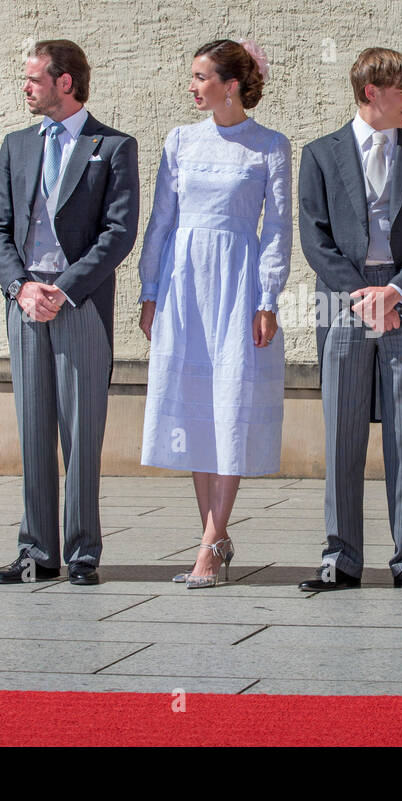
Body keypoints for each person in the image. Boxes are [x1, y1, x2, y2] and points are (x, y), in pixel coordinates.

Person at [0, 40, 139, 586]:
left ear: (64, 82)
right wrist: (20, 287)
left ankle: (81, 552)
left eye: (33, 79)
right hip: (25, 302)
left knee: (81, 432)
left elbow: (118, 233)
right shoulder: (16, 145)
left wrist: (64, 289)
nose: (25, 87)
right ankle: (35, 552)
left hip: (80, 303)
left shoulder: (113, 146)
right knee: (33, 430)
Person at [297, 47, 402, 594]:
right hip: (345, 303)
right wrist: (360, 293)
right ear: (372, 92)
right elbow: (314, 237)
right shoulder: (320, 154)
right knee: (343, 429)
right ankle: (340, 557)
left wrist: (397, 291)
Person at [138, 39, 292, 588]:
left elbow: (277, 229)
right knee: (199, 413)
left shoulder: (270, 145)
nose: (192, 86)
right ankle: (213, 538)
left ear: (231, 85)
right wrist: (150, 290)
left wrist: (267, 298)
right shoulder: (180, 139)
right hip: (183, 284)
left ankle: (211, 542)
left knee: (229, 407)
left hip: (237, 285)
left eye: (201, 76)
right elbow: (161, 219)